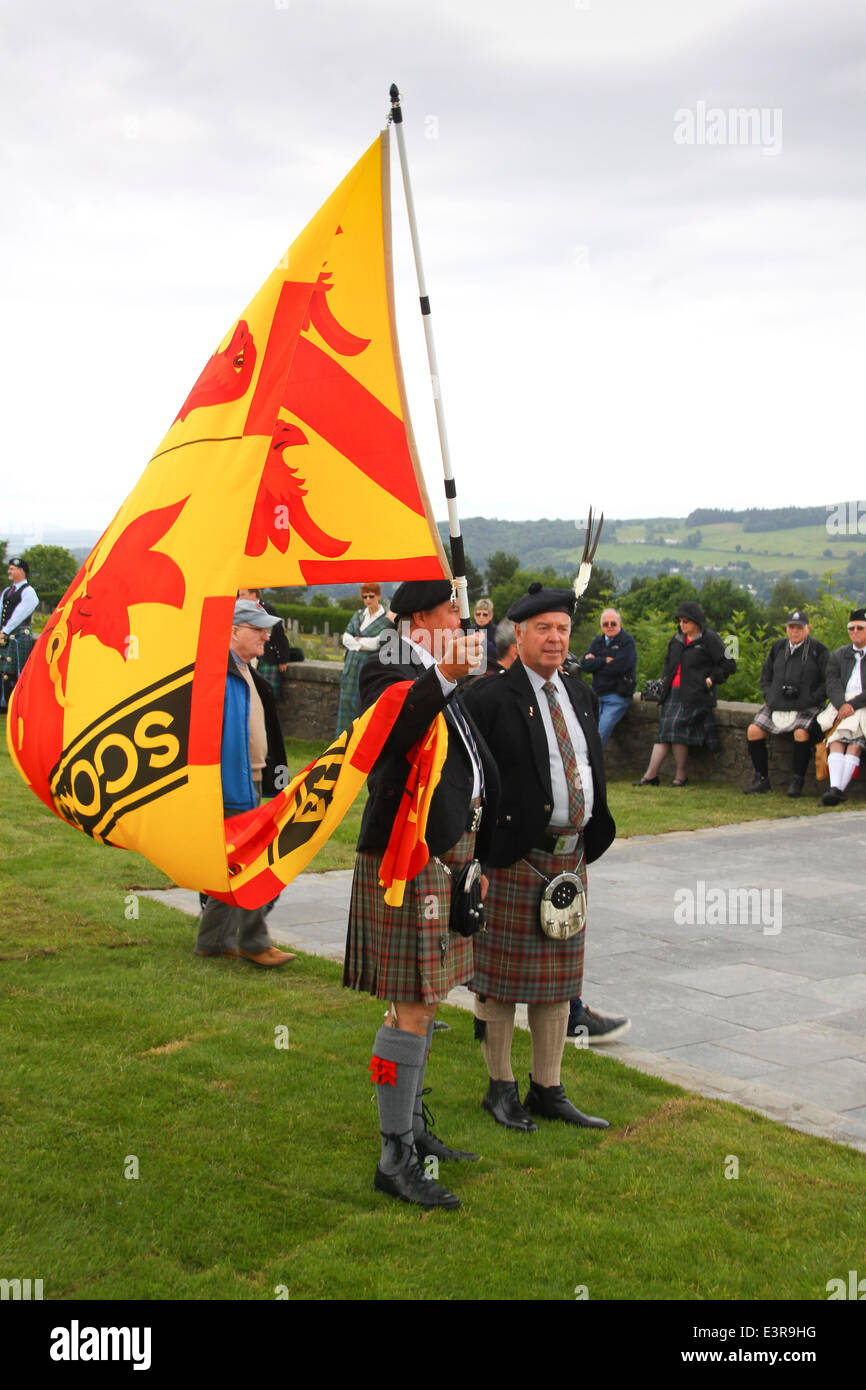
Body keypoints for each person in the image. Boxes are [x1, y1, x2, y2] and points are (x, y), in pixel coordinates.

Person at [343, 578, 499, 1211]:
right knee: (409, 1003)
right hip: (404, 858)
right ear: (418, 618)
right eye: (451, 609)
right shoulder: (390, 666)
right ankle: (394, 1154)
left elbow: (468, 759)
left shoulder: (439, 672)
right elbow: (392, 734)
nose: (461, 618)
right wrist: (446, 679)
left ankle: (410, 1124)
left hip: (446, 858)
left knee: (422, 1003)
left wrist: (481, 853)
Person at [461, 583, 618, 1134]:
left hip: (569, 859)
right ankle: (499, 1087)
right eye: (544, 629)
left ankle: (548, 1088)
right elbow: (472, 783)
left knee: (558, 983)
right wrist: (473, 861)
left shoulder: (579, 692)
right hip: (513, 858)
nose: (556, 639)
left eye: (563, 630)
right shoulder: (487, 697)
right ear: (520, 634)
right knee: (498, 981)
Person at [195, 598, 295, 968]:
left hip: (247, 779)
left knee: (232, 865)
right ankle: (253, 942)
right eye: (257, 628)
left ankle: (212, 941)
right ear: (233, 630)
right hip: (231, 784)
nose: (267, 636)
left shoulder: (242, 668)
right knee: (250, 862)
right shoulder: (221, 672)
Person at [633, 600, 736, 787]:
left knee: (674, 728)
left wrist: (712, 678)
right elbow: (668, 662)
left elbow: (729, 664)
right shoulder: (677, 640)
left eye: (686, 621)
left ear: (696, 621)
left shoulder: (710, 639)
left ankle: (679, 775)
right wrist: (665, 678)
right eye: (680, 621)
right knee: (665, 733)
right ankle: (651, 776)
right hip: (672, 693)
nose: (682, 625)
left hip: (695, 695)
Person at [744, 610, 828, 797]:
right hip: (778, 703)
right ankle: (761, 780)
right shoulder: (778, 647)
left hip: (807, 705)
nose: (795, 631)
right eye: (791, 627)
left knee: (801, 733)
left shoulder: (818, 650)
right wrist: (770, 695)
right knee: (753, 731)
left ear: (808, 628)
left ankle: (797, 782)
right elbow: (766, 676)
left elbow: (827, 682)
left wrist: (812, 699)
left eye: (799, 627)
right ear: (786, 628)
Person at [817, 608, 866, 806]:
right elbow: (832, 682)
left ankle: (836, 791)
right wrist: (841, 704)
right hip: (841, 704)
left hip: (862, 705)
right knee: (835, 741)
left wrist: (852, 705)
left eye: (860, 628)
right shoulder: (839, 655)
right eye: (851, 628)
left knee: (854, 746)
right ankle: (835, 790)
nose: (855, 631)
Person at [336, 583, 392, 732]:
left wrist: (357, 641)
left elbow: (376, 643)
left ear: (378, 596)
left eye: (371, 596)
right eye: (364, 597)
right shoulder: (359, 615)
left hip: (368, 668)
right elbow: (345, 638)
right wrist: (360, 643)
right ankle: (341, 743)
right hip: (351, 668)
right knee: (346, 704)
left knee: (362, 706)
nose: (368, 600)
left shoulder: (386, 619)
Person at [579, 608, 638, 747]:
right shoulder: (597, 641)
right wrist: (604, 660)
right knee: (585, 733)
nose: (609, 626)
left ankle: (593, 768)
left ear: (620, 624)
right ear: (601, 626)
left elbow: (620, 666)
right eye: (606, 624)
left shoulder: (627, 641)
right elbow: (584, 665)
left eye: (613, 623)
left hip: (617, 697)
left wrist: (595, 663)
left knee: (597, 737)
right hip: (597, 696)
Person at [236, 587, 296, 699]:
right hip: (250, 659)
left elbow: (279, 635)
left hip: (267, 658)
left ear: (253, 595)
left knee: (265, 695)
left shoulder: (267, 609)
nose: (239, 598)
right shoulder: (241, 610)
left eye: (242, 595)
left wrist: (283, 659)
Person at [0, 557, 39, 710]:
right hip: (5, 634)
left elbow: (20, 614)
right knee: (3, 670)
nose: (9, 571)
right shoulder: (7, 592)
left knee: (16, 670)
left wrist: (5, 630)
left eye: (12, 569)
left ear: (21, 571)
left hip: (19, 635)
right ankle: (4, 701)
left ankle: (17, 702)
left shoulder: (29, 592)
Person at [474, 597, 498, 668]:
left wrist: (484, 641)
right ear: (474, 615)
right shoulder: (469, 629)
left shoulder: (497, 631)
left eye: (485, 614)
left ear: (491, 616)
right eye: (478, 614)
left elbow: (499, 655)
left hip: (491, 669)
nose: (481, 617)